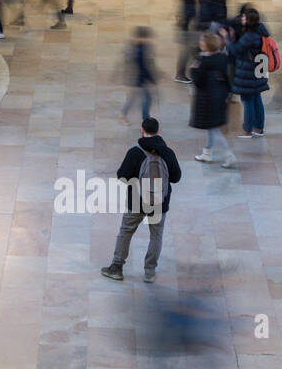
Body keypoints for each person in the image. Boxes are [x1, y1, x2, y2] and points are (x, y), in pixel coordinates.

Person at [101, 117, 181, 284]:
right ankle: (149, 272)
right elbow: (176, 177)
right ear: (158, 131)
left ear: (142, 131)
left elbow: (122, 176)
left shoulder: (135, 152)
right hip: (160, 203)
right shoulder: (168, 153)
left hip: (137, 201)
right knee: (156, 236)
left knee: (126, 232)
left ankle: (116, 268)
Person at [190, 32, 235, 168]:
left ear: (207, 46)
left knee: (214, 128)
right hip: (220, 95)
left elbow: (199, 82)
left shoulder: (203, 62)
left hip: (208, 98)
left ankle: (229, 155)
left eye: (202, 42)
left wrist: (193, 70)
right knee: (211, 126)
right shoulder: (222, 57)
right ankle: (207, 153)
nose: (200, 43)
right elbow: (227, 77)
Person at [224, 6, 270, 139]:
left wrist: (228, 38)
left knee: (247, 100)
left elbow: (236, 50)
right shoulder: (260, 31)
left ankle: (247, 130)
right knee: (256, 98)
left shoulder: (250, 36)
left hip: (248, 72)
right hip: (258, 69)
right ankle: (259, 128)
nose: (241, 18)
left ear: (249, 20)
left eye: (244, 17)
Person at [120, 26, 158, 124]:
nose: (145, 39)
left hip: (140, 78)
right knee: (142, 98)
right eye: (143, 37)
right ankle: (144, 118)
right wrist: (151, 78)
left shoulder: (141, 47)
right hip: (138, 78)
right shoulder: (138, 50)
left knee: (139, 98)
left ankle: (130, 115)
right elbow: (143, 66)